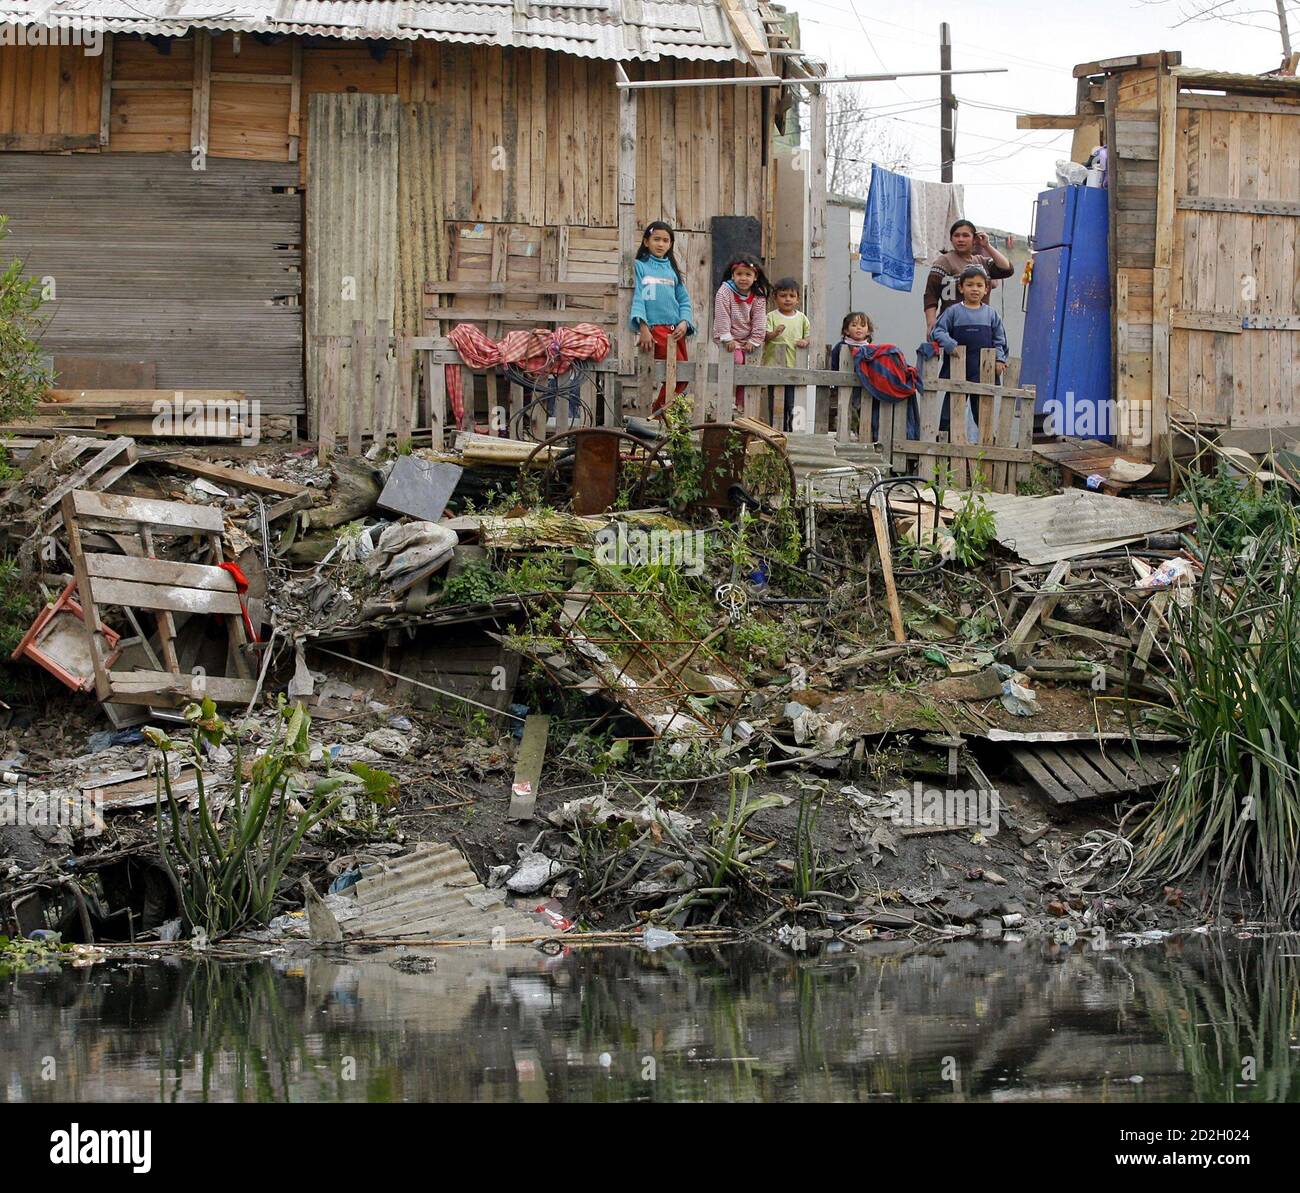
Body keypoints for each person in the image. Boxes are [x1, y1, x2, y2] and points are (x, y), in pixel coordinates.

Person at [931, 265, 1008, 438]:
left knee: (982, 411)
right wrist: (949, 344)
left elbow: (1000, 340)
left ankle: (988, 444)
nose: (975, 289)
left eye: (979, 285)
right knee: (951, 410)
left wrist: (1000, 359)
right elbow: (937, 331)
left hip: (982, 371)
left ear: (986, 289)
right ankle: (943, 441)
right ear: (961, 287)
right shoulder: (953, 312)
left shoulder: (991, 314)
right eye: (970, 285)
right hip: (957, 369)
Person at [630, 221, 694, 412]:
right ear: (646, 241)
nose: (661, 244)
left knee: (681, 375)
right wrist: (643, 327)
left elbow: (684, 300)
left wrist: (684, 321)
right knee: (675, 375)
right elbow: (638, 297)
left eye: (666, 240)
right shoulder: (639, 266)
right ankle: (658, 416)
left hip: (675, 331)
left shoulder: (672, 270)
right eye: (656, 239)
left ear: (671, 244)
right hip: (655, 329)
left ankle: (659, 414)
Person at [923, 219, 1013, 334]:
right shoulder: (944, 261)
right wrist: (931, 323)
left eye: (966, 235)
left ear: (974, 239)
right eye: (956, 236)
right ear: (951, 239)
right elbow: (931, 294)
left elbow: (1007, 269)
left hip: (981, 325)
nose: (960, 239)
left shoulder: (981, 261)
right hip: (952, 327)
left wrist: (987, 246)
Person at [713, 255, 771, 410]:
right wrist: (727, 338)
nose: (743, 278)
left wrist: (754, 340)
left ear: (755, 276)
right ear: (733, 275)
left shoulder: (758, 295)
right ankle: (726, 401)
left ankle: (741, 404)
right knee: (736, 362)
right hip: (729, 337)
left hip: (748, 339)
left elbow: (760, 319)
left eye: (748, 274)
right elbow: (722, 315)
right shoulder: (725, 292)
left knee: (748, 369)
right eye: (739, 274)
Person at [762, 277, 810, 431]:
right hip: (774, 367)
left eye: (791, 296)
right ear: (775, 298)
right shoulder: (771, 316)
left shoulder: (802, 318)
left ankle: (793, 433)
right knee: (776, 404)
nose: (787, 299)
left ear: (797, 299)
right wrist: (774, 333)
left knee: (793, 404)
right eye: (783, 296)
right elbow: (765, 336)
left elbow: (809, 335)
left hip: (795, 367)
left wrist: (805, 341)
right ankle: (776, 432)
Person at [830, 311, 873, 438]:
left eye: (862, 325)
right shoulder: (841, 347)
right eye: (854, 325)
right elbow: (833, 364)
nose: (858, 328)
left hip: (864, 388)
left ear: (868, 331)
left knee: (864, 410)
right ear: (846, 331)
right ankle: (845, 434)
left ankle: (863, 435)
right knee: (846, 411)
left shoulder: (870, 349)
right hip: (844, 386)